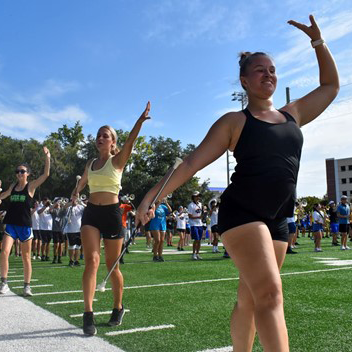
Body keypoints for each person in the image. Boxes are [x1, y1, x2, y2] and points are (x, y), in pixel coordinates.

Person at [136, 15, 338, 351]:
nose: (268, 74)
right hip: (243, 213)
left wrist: (319, 43)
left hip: (278, 219)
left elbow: (331, 87)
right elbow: (189, 163)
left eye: (272, 69)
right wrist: (150, 196)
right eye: (259, 70)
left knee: (250, 299)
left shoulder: (293, 114)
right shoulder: (234, 121)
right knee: (271, 295)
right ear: (243, 81)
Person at [72, 102, 150, 336]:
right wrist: (76, 191)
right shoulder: (90, 164)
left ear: (113, 142)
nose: (101, 138)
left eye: (105, 136)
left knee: (112, 266)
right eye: (99, 135)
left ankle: (118, 307)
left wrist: (139, 122)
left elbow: (131, 142)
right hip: (91, 214)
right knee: (91, 261)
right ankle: (88, 314)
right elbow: (83, 180)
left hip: (113, 214)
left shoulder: (117, 161)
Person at [0, 147, 51, 296]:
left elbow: (46, 174)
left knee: (26, 257)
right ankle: (4, 283)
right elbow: (4, 195)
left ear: (27, 174)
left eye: (22, 171)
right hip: (11, 224)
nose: (19, 173)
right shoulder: (13, 187)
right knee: (4, 252)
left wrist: (47, 157)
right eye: (17, 171)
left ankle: (27, 286)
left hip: (24, 226)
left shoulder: (31, 186)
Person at [63, 198, 85, 266]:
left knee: (78, 246)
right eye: (73, 200)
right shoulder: (69, 207)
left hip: (79, 230)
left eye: (75, 200)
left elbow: (88, 209)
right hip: (70, 230)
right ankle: (71, 260)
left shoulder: (80, 207)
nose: (75, 201)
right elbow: (64, 207)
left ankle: (76, 261)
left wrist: (81, 203)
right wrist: (71, 203)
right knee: (71, 246)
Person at [188, 191, 203, 260]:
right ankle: (193, 254)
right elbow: (190, 216)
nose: (198, 197)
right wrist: (198, 217)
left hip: (200, 224)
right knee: (196, 239)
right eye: (197, 196)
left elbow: (200, 213)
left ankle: (197, 254)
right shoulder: (191, 205)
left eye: (199, 196)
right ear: (193, 197)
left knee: (199, 240)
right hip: (194, 224)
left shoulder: (200, 204)